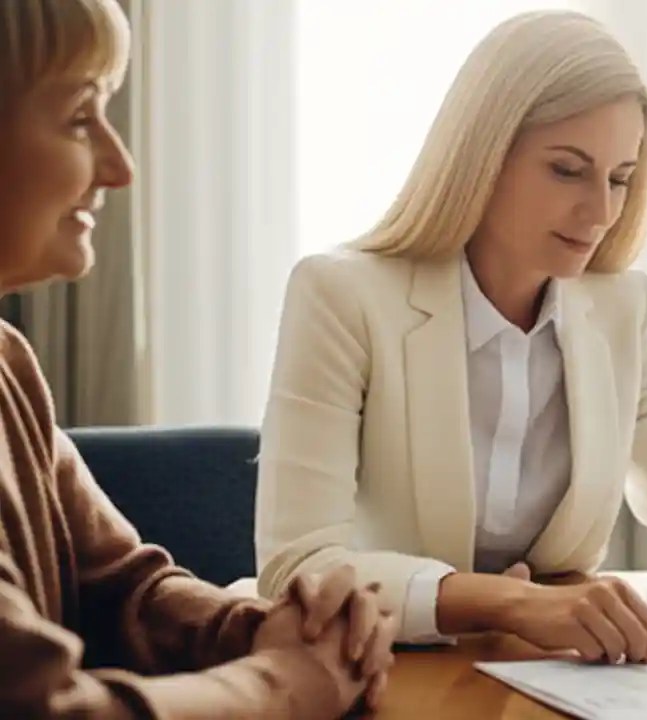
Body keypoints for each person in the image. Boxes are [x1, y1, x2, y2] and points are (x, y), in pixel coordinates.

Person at [255, 9, 647, 667]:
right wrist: (510, 604)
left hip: (559, 677)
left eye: (619, 178)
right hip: (384, 670)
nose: (603, 212)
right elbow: (299, 566)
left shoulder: (624, 309)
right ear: (483, 154)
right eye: (566, 170)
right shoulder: (340, 296)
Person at [0, 1, 397, 717]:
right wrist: (286, 684)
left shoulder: (8, 365)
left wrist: (264, 632)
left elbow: (125, 591)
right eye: (81, 119)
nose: (119, 168)